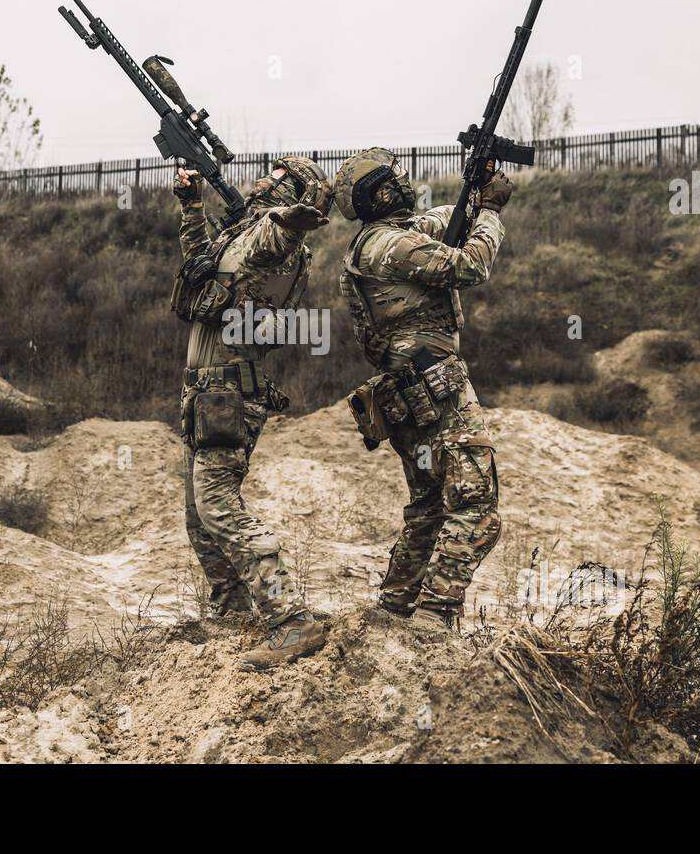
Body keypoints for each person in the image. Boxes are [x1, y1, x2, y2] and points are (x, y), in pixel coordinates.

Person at [332, 148, 513, 629]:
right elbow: (470, 266)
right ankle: (435, 613)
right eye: (399, 178)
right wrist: (491, 213)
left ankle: (395, 609)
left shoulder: (375, 243)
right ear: (384, 192)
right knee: (475, 507)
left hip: (407, 393)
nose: (408, 182)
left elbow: (439, 222)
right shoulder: (387, 247)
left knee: (430, 507)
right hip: (435, 385)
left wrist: (473, 195)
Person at [173, 157, 333, 668]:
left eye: (277, 175)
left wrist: (291, 219)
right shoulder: (243, 236)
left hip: (227, 394)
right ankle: (231, 610)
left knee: (218, 506)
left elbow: (276, 241)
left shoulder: (273, 243)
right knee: (198, 516)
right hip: (204, 393)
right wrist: (192, 208)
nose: (263, 177)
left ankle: (291, 618)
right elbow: (200, 270)